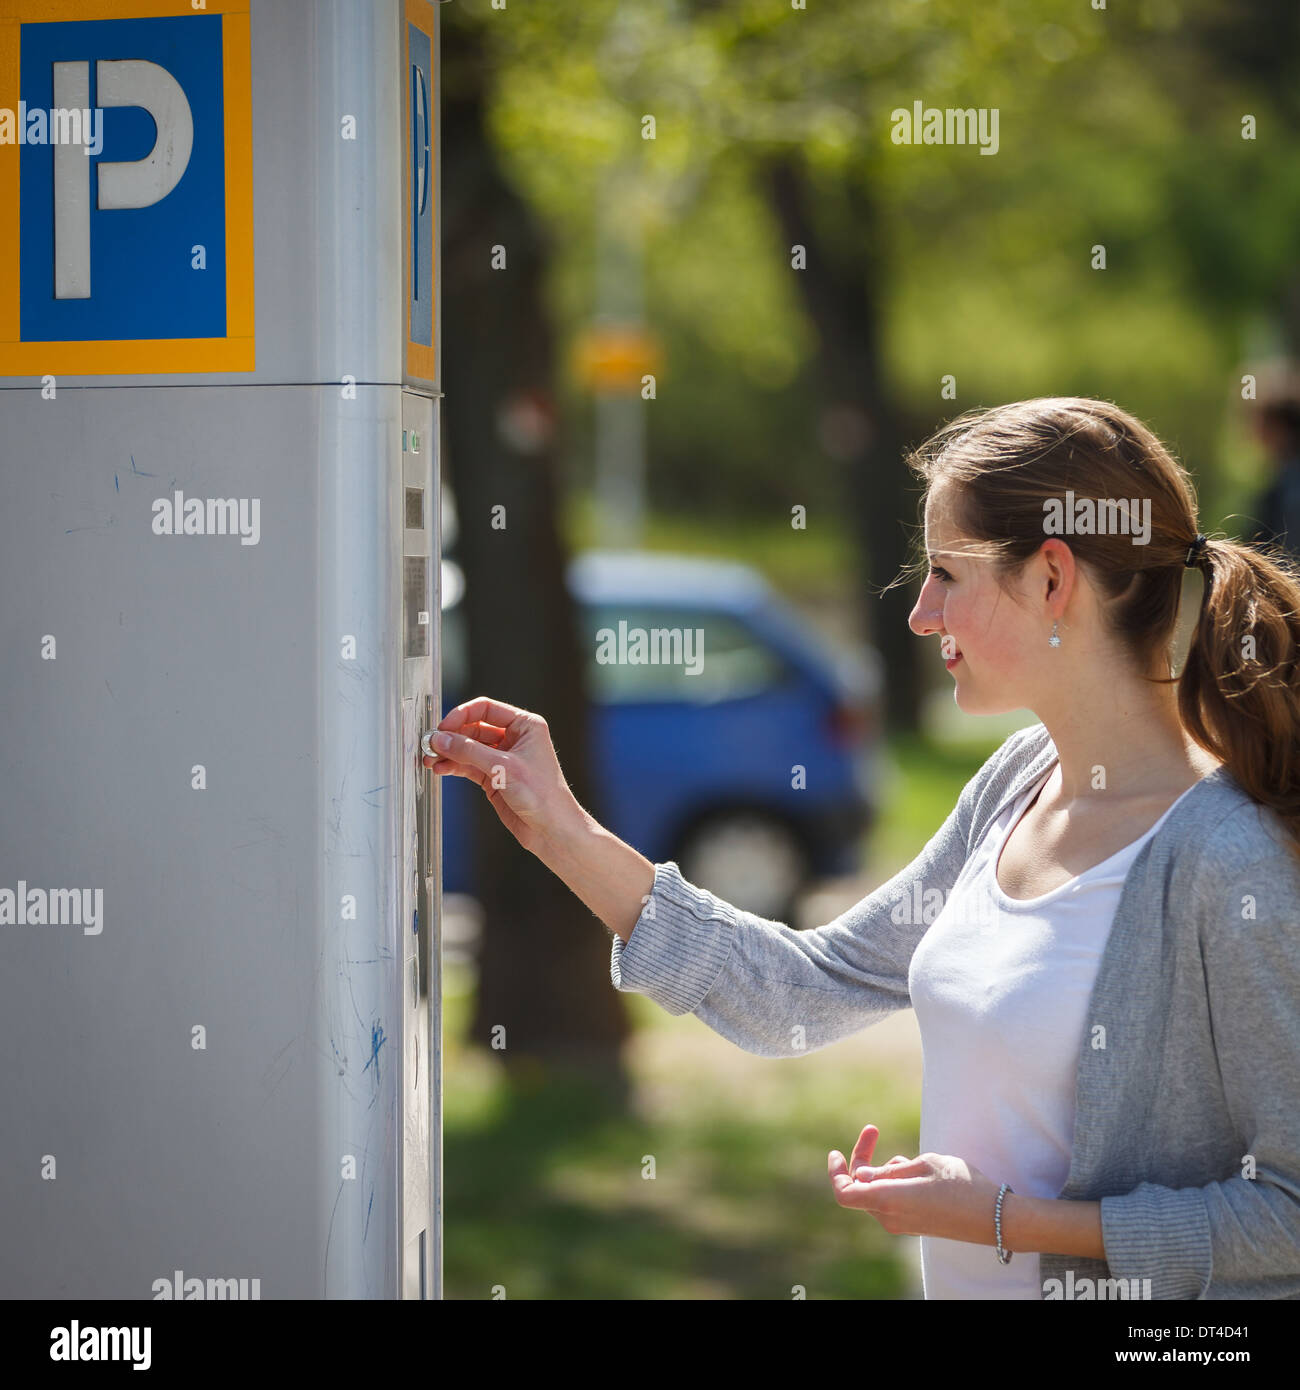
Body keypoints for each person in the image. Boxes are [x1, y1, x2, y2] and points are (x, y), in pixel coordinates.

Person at [425, 396, 1300, 1300]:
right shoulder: (1014, 784)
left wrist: (1006, 1221)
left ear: (1050, 580)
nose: (921, 614)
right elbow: (807, 985)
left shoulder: (1226, 857)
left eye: (946, 574)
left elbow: (1289, 1213)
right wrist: (562, 829)